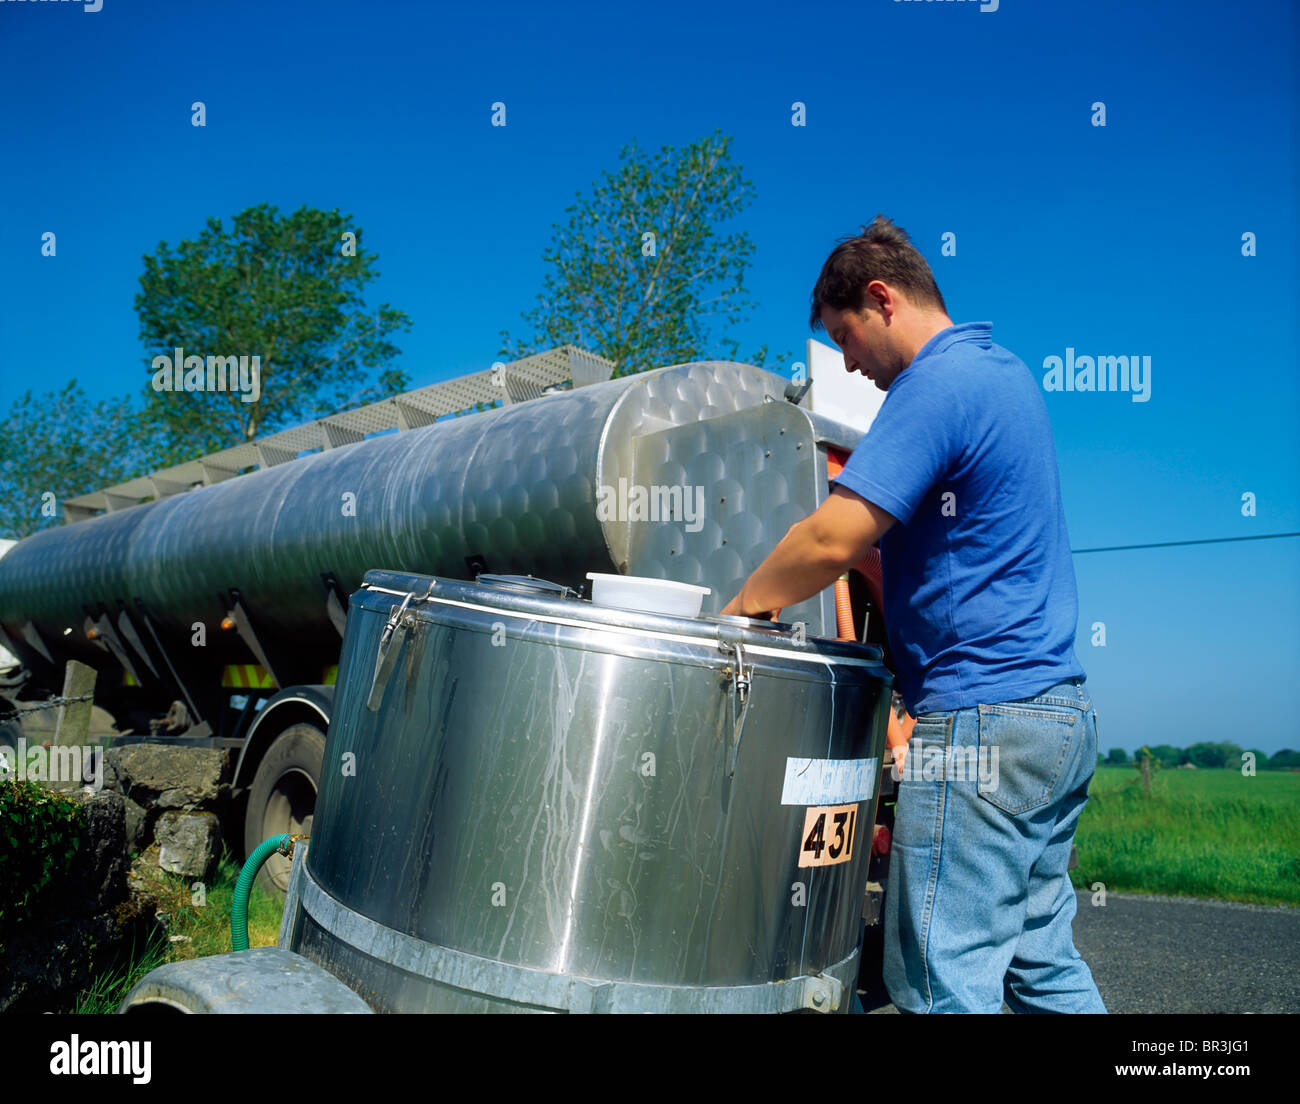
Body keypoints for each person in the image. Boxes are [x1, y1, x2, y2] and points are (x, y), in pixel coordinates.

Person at [720, 214, 1106, 1014]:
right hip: (1055, 718)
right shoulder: (1004, 374)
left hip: (979, 724)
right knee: (1041, 965)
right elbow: (943, 548)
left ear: (881, 298)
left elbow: (832, 536)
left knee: (940, 981)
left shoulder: (936, 383)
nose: (848, 364)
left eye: (844, 335)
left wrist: (739, 610)